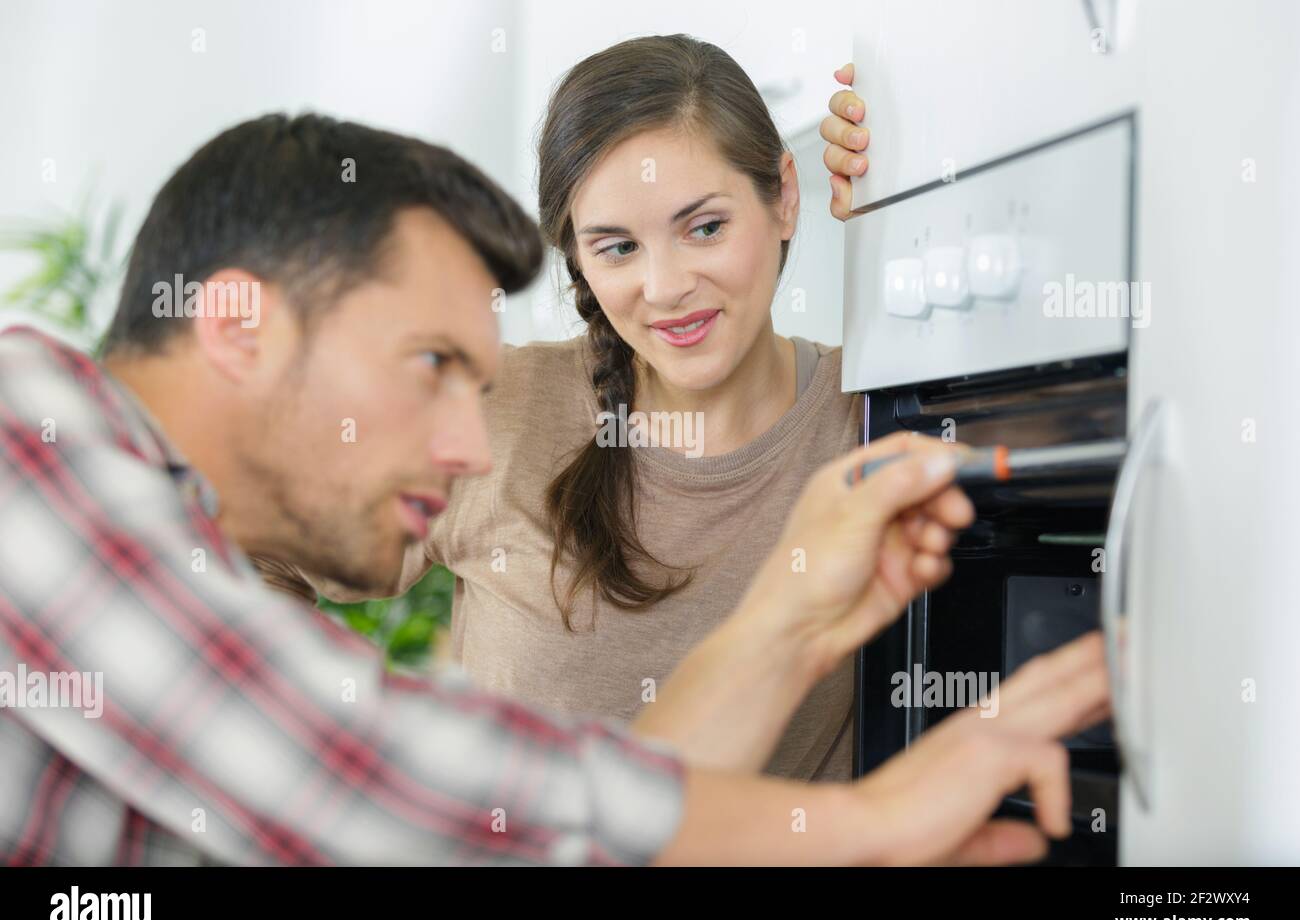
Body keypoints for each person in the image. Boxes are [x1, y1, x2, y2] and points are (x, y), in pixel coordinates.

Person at [0, 112, 1108, 867]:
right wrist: (867, 822)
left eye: (707, 222)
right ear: (238, 324)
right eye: (431, 363)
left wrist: (786, 621)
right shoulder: (25, 430)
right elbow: (376, 782)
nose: (472, 447)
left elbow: (550, 829)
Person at [274, 36, 872, 783]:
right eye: (618, 248)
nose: (665, 286)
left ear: (784, 196)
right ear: (580, 259)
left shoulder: (875, 413)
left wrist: (911, 195)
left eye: (706, 227)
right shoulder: (492, 412)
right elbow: (250, 546)